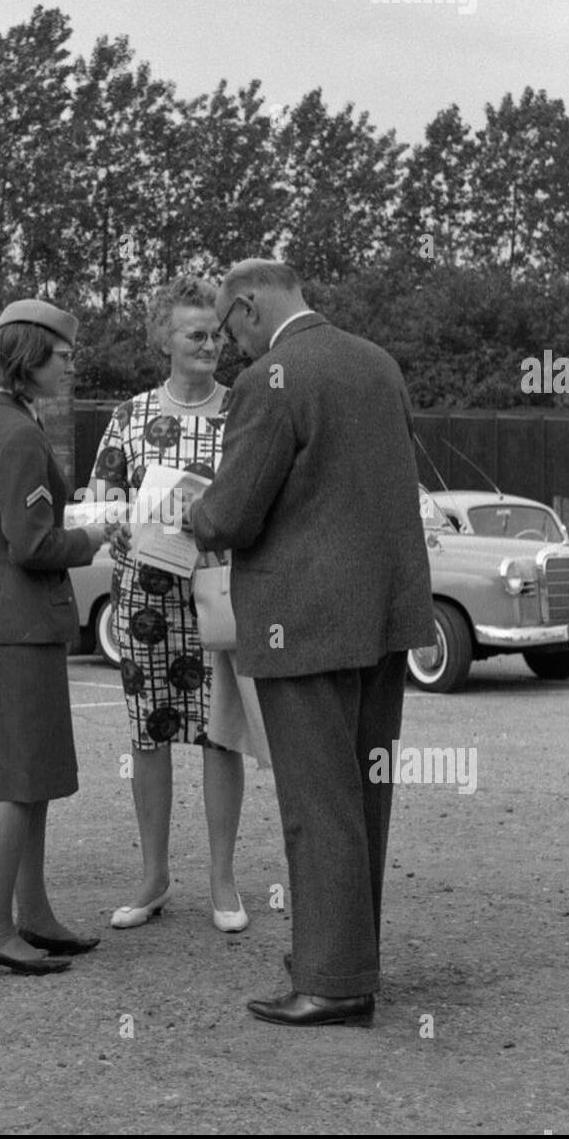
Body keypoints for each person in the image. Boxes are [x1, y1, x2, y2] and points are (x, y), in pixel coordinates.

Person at [186, 259, 434, 1026]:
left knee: (316, 805)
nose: (232, 345)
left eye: (229, 326)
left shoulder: (272, 380)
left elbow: (232, 516)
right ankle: (350, 957)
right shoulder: (377, 363)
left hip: (305, 623)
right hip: (383, 619)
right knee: (363, 795)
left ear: (250, 306)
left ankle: (331, 981)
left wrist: (194, 512)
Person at [88, 275, 259, 934]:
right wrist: (123, 529)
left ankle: (223, 880)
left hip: (218, 596)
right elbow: (100, 502)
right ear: (164, 337)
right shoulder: (129, 417)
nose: (211, 344)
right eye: (196, 334)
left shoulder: (242, 411)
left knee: (222, 737)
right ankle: (153, 876)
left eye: (217, 334)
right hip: (144, 598)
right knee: (149, 737)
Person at [0, 299, 120, 974]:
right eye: (62, 353)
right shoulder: (19, 434)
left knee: (25, 779)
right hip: (16, 622)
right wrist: (97, 536)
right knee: (17, 783)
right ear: (28, 356)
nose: (72, 363)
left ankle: (34, 915)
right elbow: (31, 544)